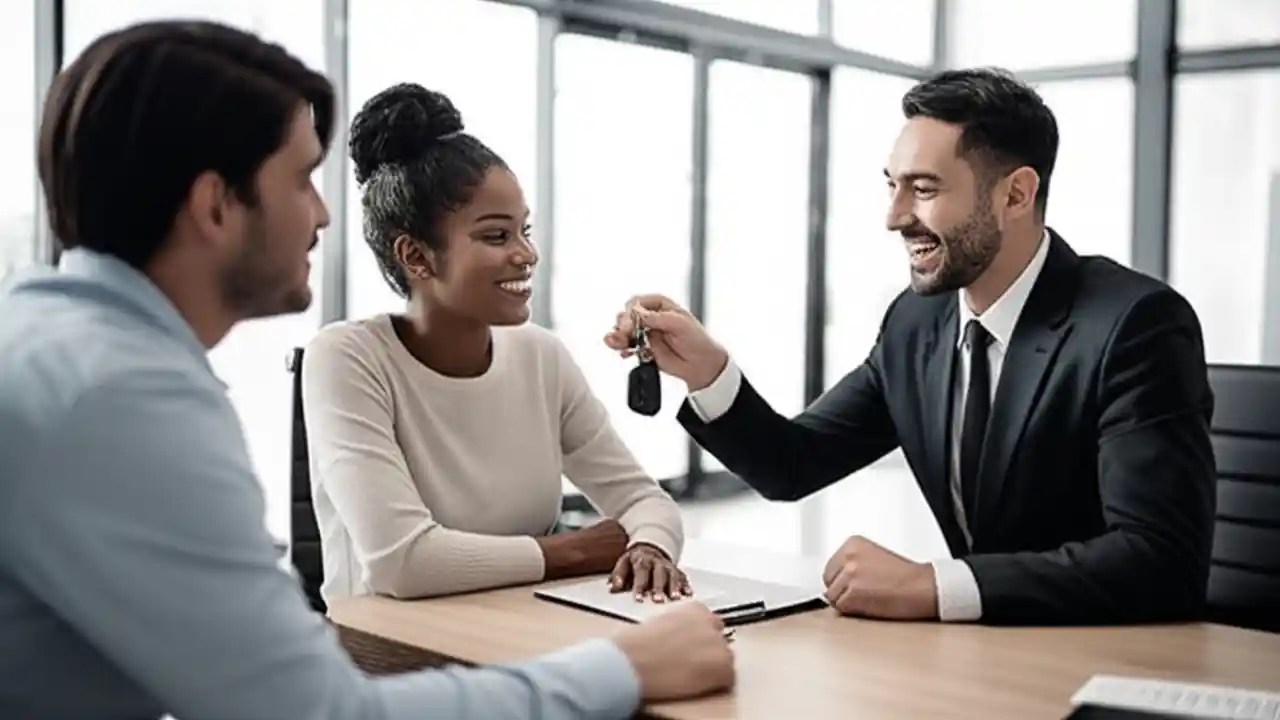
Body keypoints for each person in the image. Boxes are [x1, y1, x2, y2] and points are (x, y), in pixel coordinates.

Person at [0, 20, 732, 719]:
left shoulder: (59, 349)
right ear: (216, 205)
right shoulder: (120, 398)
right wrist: (624, 667)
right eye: (300, 180)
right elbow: (315, 711)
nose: (322, 215)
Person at [606, 67, 1215, 626]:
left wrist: (934, 585)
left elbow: (1159, 560)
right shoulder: (916, 322)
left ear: (1015, 195)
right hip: (976, 659)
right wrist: (708, 371)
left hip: (1104, 655)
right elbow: (791, 464)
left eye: (922, 189)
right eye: (892, 185)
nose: (894, 217)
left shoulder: (1135, 325)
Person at [301, 83, 689, 605]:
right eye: (496, 236)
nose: (526, 254)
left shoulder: (541, 357)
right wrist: (574, 551)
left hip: (523, 635)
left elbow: (644, 501)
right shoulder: (346, 358)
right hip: (385, 657)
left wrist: (650, 548)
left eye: (525, 230)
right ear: (416, 257)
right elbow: (402, 563)